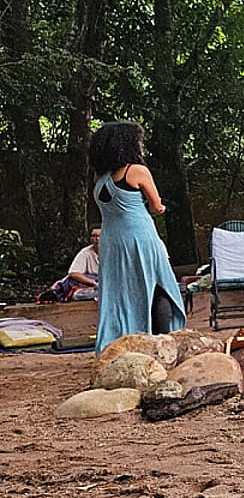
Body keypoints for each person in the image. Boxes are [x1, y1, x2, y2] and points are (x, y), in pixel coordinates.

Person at [88, 122, 186, 353]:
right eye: (139, 141)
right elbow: (155, 206)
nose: (141, 145)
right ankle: (161, 342)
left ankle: (119, 342)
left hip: (112, 241)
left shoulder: (98, 177)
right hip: (140, 238)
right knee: (159, 287)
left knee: (119, 293)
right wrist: (161, 207)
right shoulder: (137, 171)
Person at [38, 226, 102, 303]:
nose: (97, 239)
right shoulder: (85, 252)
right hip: (92, 284)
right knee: (70, 281)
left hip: (109, 285)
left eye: (100, 236)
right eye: (94, 236)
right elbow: (73, 273)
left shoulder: (114, 252)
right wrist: (94, 282)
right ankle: (55, 293)